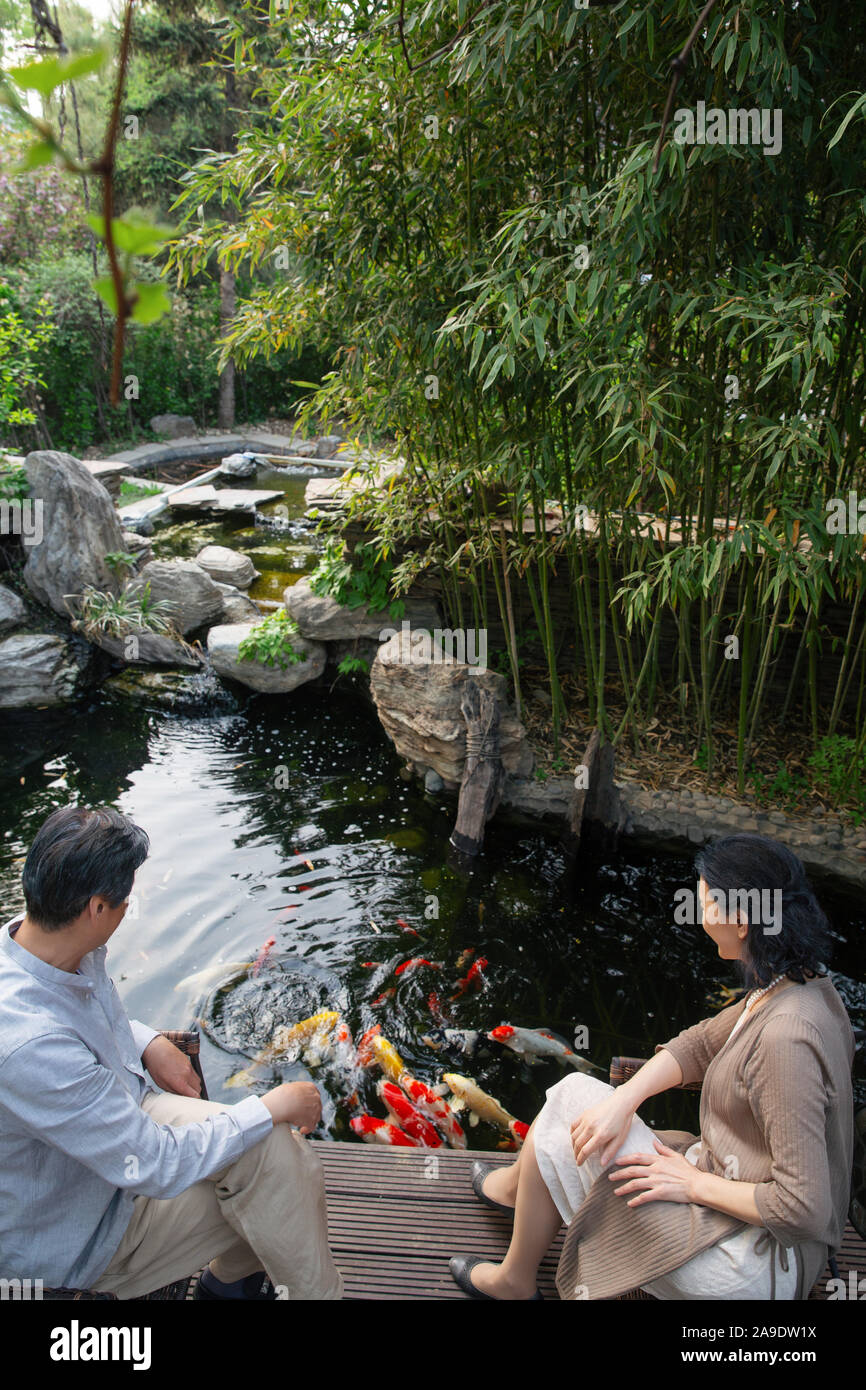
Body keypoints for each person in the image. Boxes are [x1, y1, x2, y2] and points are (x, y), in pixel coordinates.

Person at [449, 833, 855, 1301]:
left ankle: (514, 1258)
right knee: (585, 1111)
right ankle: (514, 1222)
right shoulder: (799, 984)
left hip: (753, 1267)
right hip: (741, 1213)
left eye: (704, 901)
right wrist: (626, 1098)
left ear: (741, 922)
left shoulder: (787, 1039)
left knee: (572, 1098)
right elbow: (701, 1044)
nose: (697, 913)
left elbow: (803, 1208)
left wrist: (695, 1183)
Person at [0, 805, 343, 1301]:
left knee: (276, 1149)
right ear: (96, 908)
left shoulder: (31, 939)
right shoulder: (33, 1048)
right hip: (81, 1227)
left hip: (114, 1120)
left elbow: (71, 1009)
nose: (127, 910)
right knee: (278, 1172)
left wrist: (144, 1040)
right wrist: (270, 1104)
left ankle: (229, 1286)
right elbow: (153, 1163)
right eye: (123, 902)